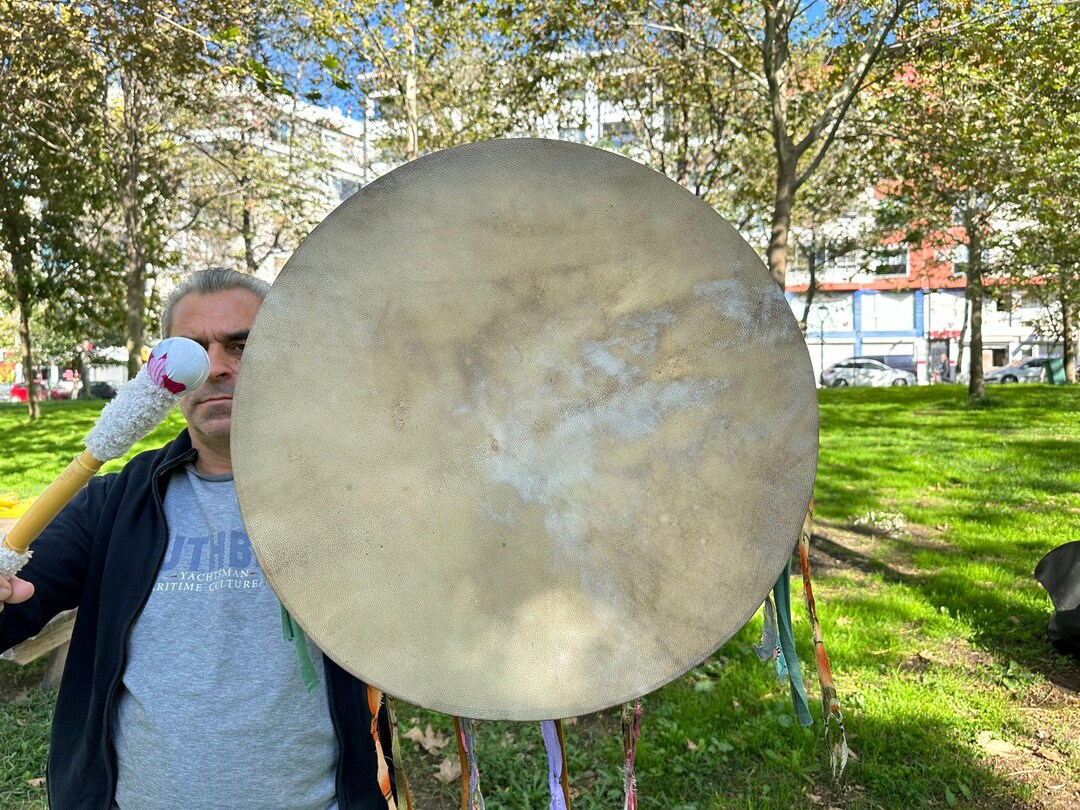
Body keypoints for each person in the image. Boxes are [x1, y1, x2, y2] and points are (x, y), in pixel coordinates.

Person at [0, 268, 396, 809]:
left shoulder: (345, 499)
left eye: (241, 345)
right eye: (192, 349)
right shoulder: (114, 506)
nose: (215, 367)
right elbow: (14, 607)